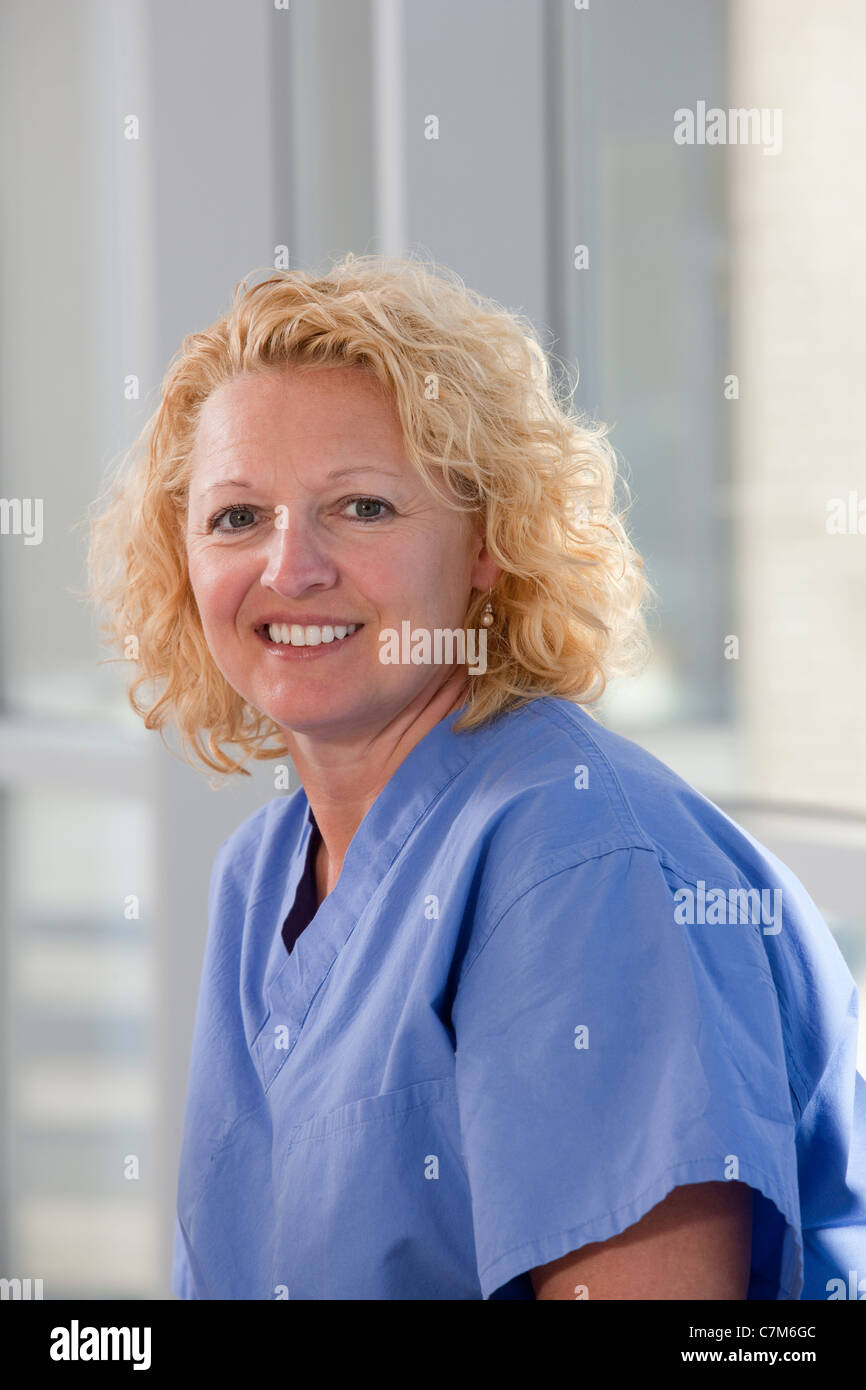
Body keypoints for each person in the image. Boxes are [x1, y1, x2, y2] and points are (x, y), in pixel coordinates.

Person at [86, 252, 866, 1300]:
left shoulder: (580, 863)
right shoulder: (259, 875)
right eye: (236, 517)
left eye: (361, 507)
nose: (289, 566)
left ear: (486, 543)